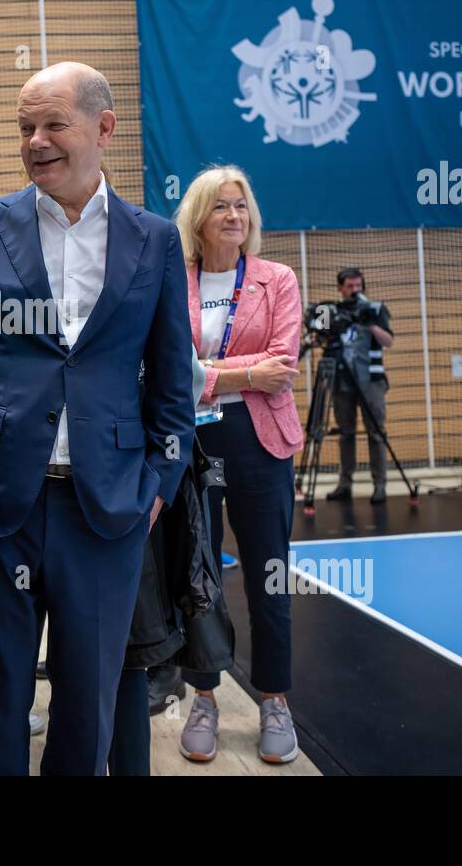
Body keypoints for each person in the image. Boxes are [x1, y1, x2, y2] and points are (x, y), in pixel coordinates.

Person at [0, 61, 195, 775]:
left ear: (104, 128)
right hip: (0, 503)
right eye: (25, 127)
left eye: (53, 124)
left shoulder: (154, 239)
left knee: (90, 699)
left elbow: (174, 376)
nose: (36, 141)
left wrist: (159, 482)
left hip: (109, 505)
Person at [171, 164, 303, 765]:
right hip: (197, 447)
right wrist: (243, 376)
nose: (234, 216)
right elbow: (171, 373)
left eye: (241, 206)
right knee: (199, 578)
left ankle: (275, 700)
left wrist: (213, 376)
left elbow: (283, 364)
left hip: (260, 443)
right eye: (221, 206)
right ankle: (204, 696)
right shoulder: (175, 281)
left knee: (268, 576)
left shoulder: (277, 279)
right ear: (199, 218)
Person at [326, 268, 394, 504]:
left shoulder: (375, 308)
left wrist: (371, 323)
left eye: (358, 286)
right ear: (340, 288)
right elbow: (319, 336)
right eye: (350, 286)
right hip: (342, 380)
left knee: (376, 433)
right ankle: (345, 484)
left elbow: (389, 342)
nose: (355, 291)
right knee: (346, 434)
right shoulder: (333, 311)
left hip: (371, 381)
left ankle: (380, 486)